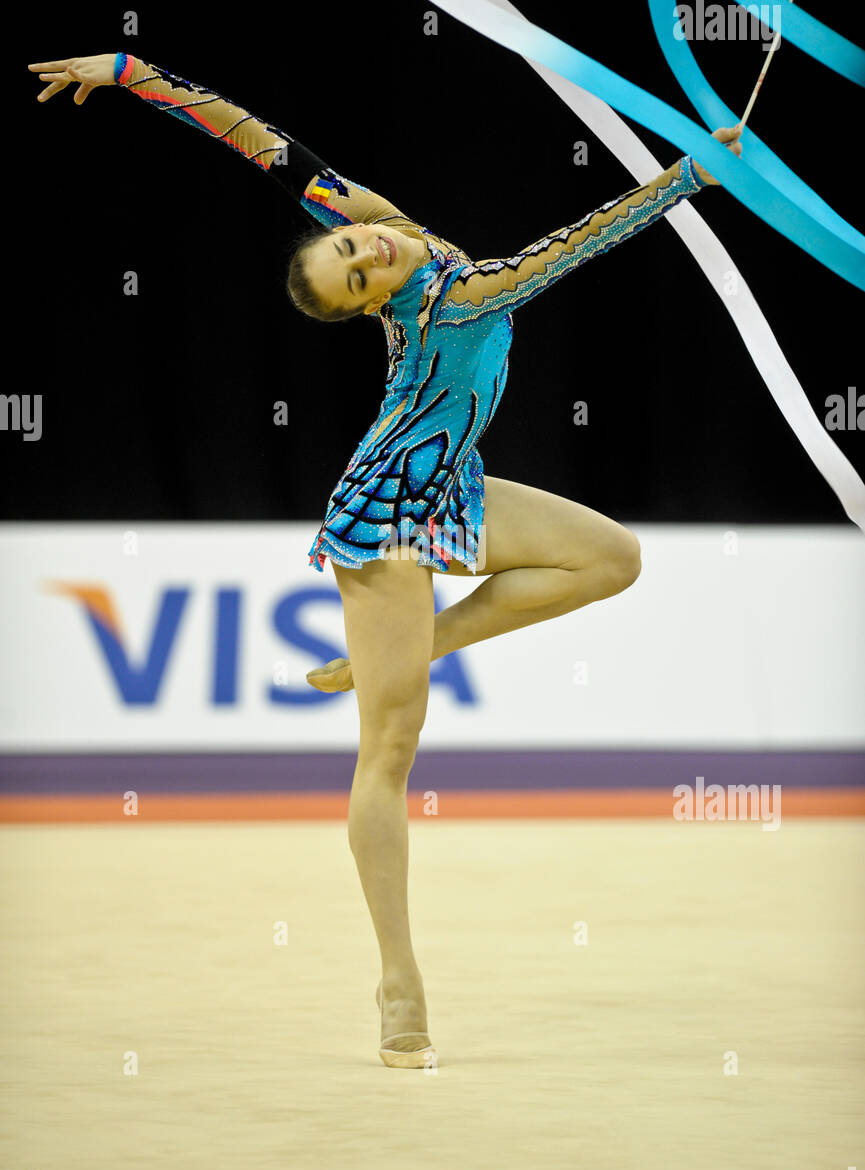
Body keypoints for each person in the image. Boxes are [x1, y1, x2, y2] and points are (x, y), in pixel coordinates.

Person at [28, 52, 742, 1068]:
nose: (366, 251)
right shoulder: (455, 296)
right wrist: (685, 178)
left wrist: (131, 70)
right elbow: (573, 247)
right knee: (391, 750)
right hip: (387, 513)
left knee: (609, 556)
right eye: (358, 274)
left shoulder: (376, 217)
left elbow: (252, 138)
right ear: (369, 308)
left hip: (451, 479)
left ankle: (408, 649)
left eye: (350, 247)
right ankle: (398, 982)